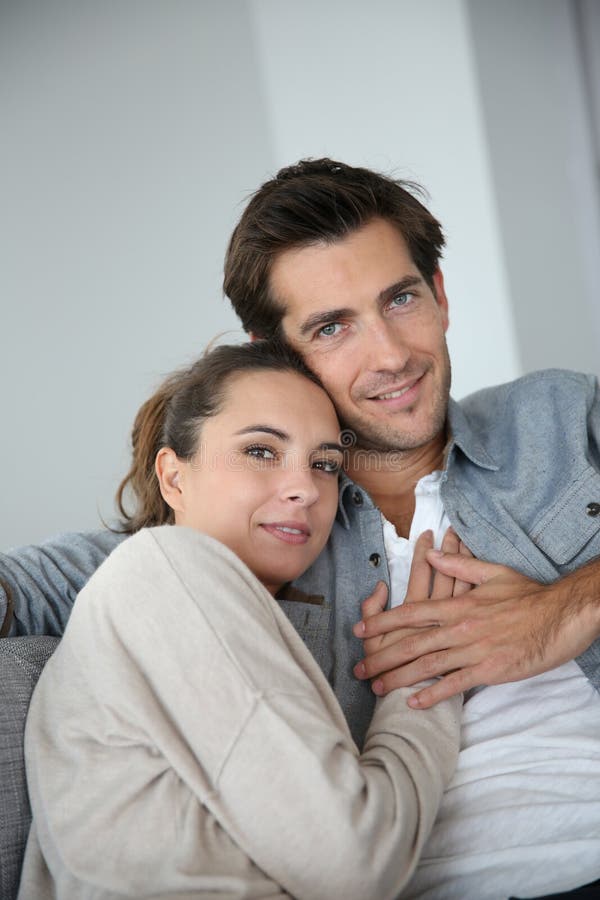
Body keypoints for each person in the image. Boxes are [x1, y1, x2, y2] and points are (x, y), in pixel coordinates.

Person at [3, 157, 600, 897]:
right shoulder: (254, 539)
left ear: (440, 295)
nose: (389, 355)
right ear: (275, 349)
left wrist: (563, 609)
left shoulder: (561, 419)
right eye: (331, 326)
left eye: (401, 299)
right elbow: (40, 588)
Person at [17, 340, 461, 900]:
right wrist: (423, 679)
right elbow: (354, 862)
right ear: (174, 479)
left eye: (325, 464)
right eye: (260, 451)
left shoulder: (240, 616)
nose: (305, 487)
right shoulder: (166, 571)